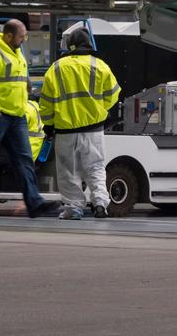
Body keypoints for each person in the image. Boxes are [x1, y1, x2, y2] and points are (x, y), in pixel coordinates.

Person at [0, 20, 60, 218]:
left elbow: (18, 80)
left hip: (17, 115)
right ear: (8, 36)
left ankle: (34, 203)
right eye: (21, 35)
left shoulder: (17, 53)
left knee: (25, 160)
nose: (24, 38)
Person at [40, 28, 121, 220]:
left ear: (70, 46)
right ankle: (100, 203)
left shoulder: (57, 68)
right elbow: (113, 96)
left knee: (69, 171)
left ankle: (74, 208)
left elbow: (46, 103)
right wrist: (98, 110)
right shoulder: (100, 66)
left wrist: (49, 124)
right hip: (93, 130)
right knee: (95, 168)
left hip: (65, 131)